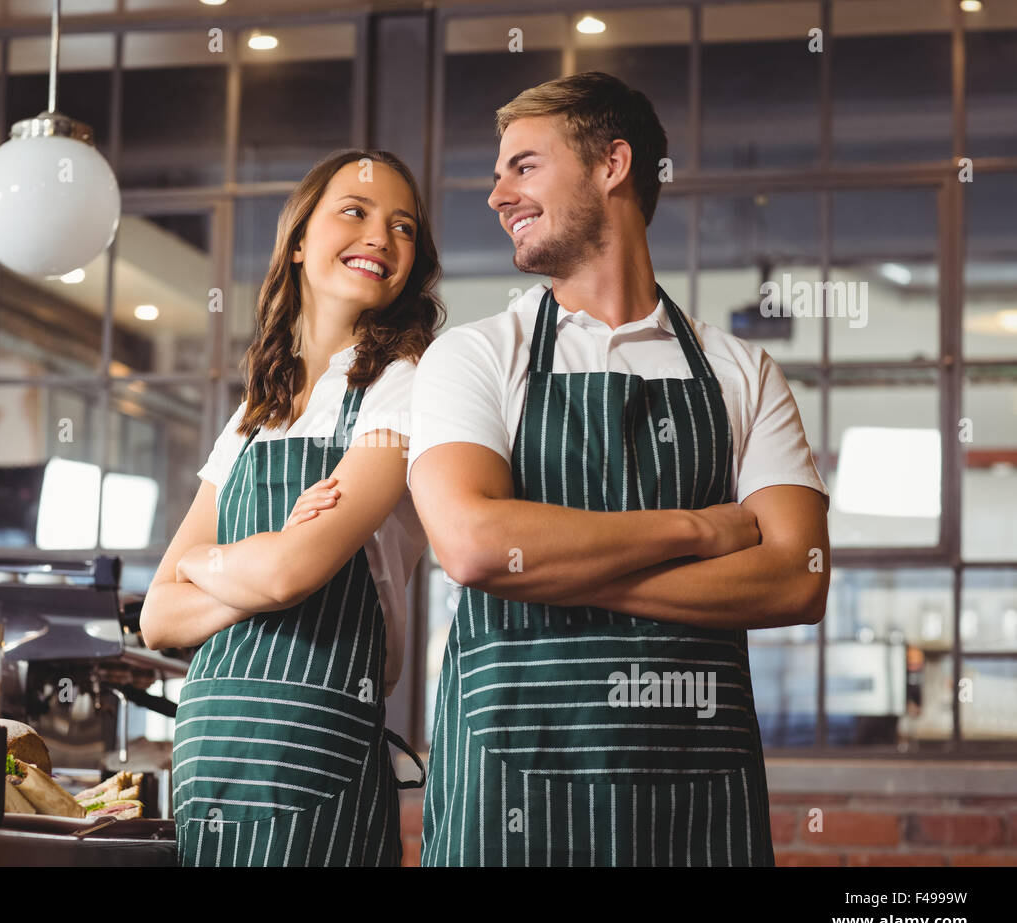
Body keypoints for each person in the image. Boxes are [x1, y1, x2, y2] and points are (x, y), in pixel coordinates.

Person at [407, 72, 831, 866]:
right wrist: (698, 530)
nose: (497, 196)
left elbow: (798, 578)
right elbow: (473, 545)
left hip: (696, 804)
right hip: (510, 798)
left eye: (524, 166)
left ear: (613, 164)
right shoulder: (474, 356)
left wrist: (556, 573)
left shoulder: (742, 370)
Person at [140, 148, 442, 867]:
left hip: (315, 748)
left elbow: (289, 575)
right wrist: (259, 560)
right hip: (210, 749)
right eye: (355, 212)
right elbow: (157, 616)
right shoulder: (256, 412)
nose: (380, 237)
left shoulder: (403, 385)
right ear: (300, 240)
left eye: (403, 227)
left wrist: (209, 564)